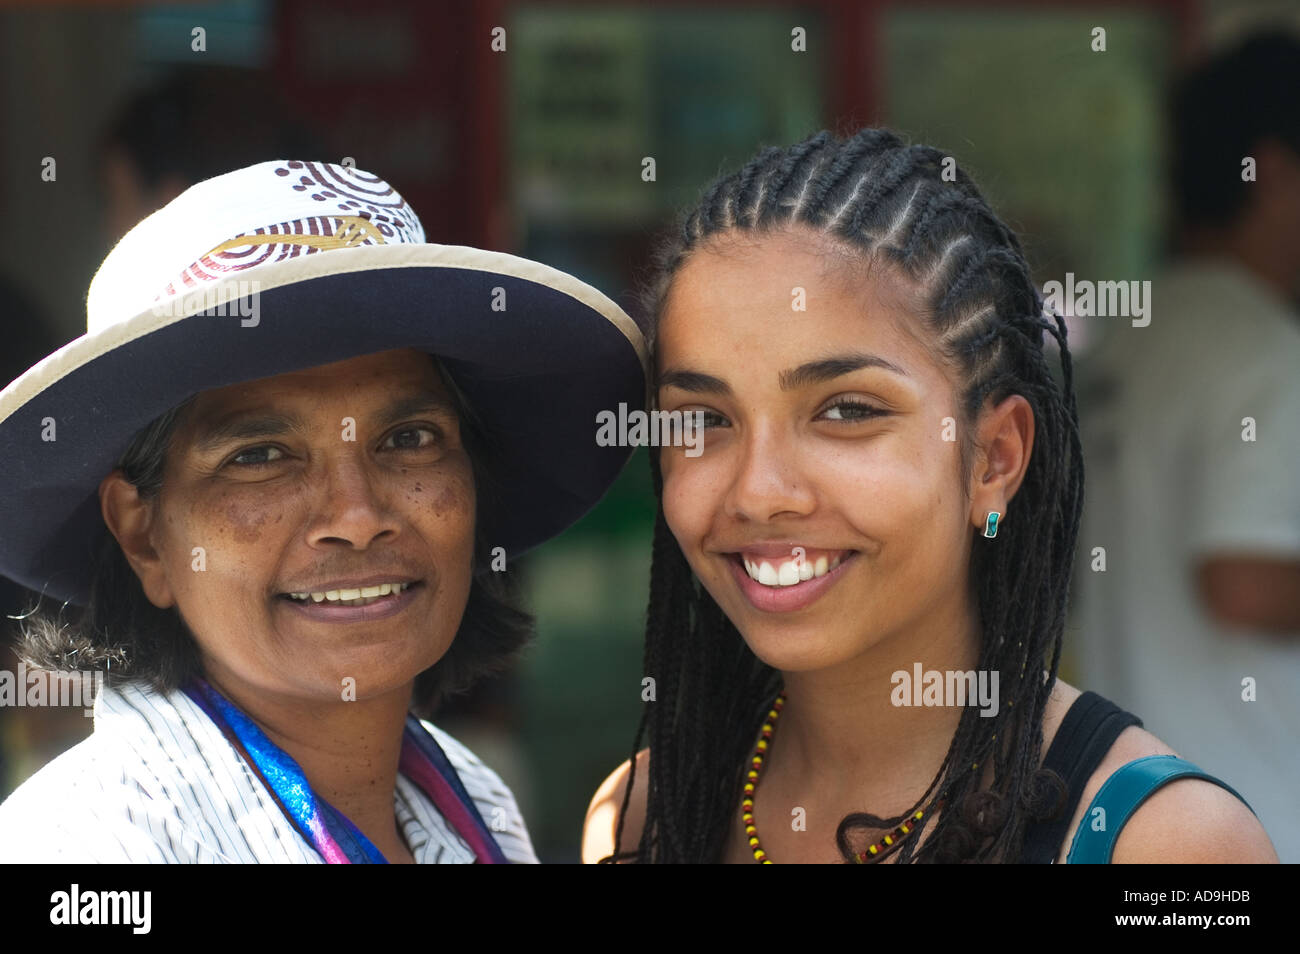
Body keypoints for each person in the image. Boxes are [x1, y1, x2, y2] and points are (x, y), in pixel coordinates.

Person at [581, 128, 1278, 863]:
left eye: (846, 411)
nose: (758, 492)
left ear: (994, 460)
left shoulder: (1167, 846)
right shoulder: (640, 817)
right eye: (706, 421)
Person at [0, 159, 647, 863]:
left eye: (408, 439)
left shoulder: (471, 801)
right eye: (260, 456)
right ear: (142, 534)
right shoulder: (88, 848)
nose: (358, 514)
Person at [1070, 30, 1300, 862]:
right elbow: (1240, 580)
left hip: (1118, 816)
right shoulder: (1266, 354)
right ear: (1273, 171)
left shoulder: (1123, 345)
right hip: (1255, 821)